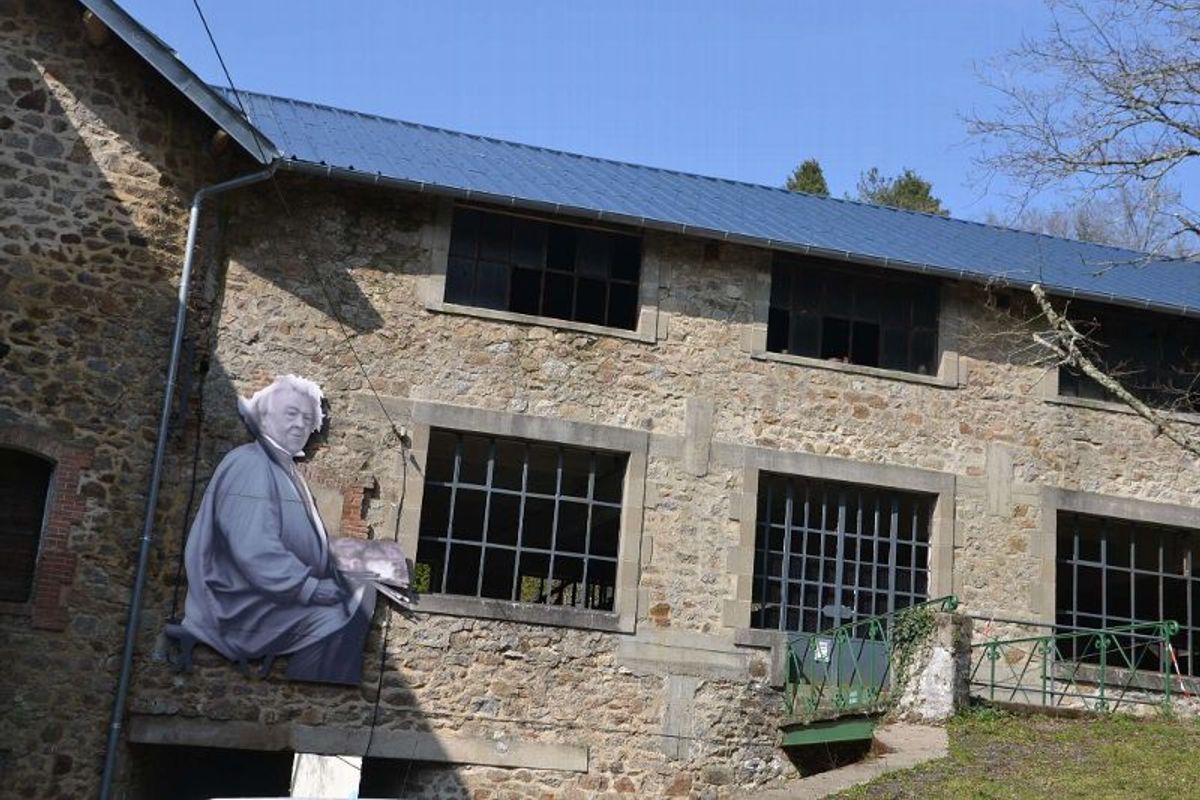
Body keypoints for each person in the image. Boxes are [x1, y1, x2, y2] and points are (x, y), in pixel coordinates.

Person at [167, 375, 374, 685]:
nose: (300, 425)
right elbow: (256, 551)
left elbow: (299, 540)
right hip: (243, 605)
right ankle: (311, 699)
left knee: (363, 588)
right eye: (291, 414)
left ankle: (316, 690)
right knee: (341, 615)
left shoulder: (283, 468)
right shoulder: (251, 463)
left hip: (271, 597)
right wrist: (312, 589)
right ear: (264, 415)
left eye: (307, 419)